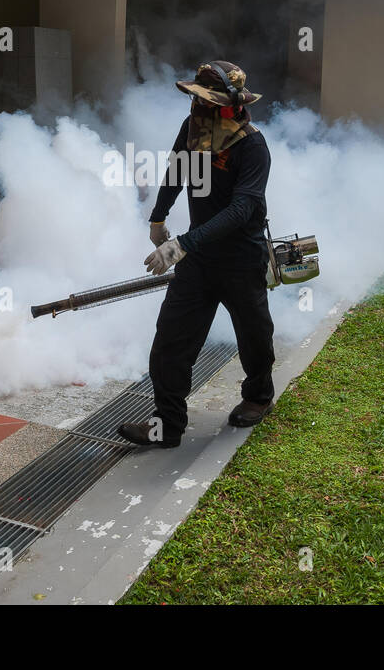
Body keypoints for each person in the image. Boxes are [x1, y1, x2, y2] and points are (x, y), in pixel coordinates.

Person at [118, 61, 276, 449]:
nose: (197, 110)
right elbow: (175, 169)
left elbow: (241, 211)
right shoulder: (193, 128)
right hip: (198, 260)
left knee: (254, 337)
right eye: (196, 101)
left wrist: (182, 244)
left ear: (229, 107)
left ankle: (258, 396)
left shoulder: (252, 145)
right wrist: (158, 219)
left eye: (206, 103)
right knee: (170, 342)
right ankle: (167, 425)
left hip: (241, 258)